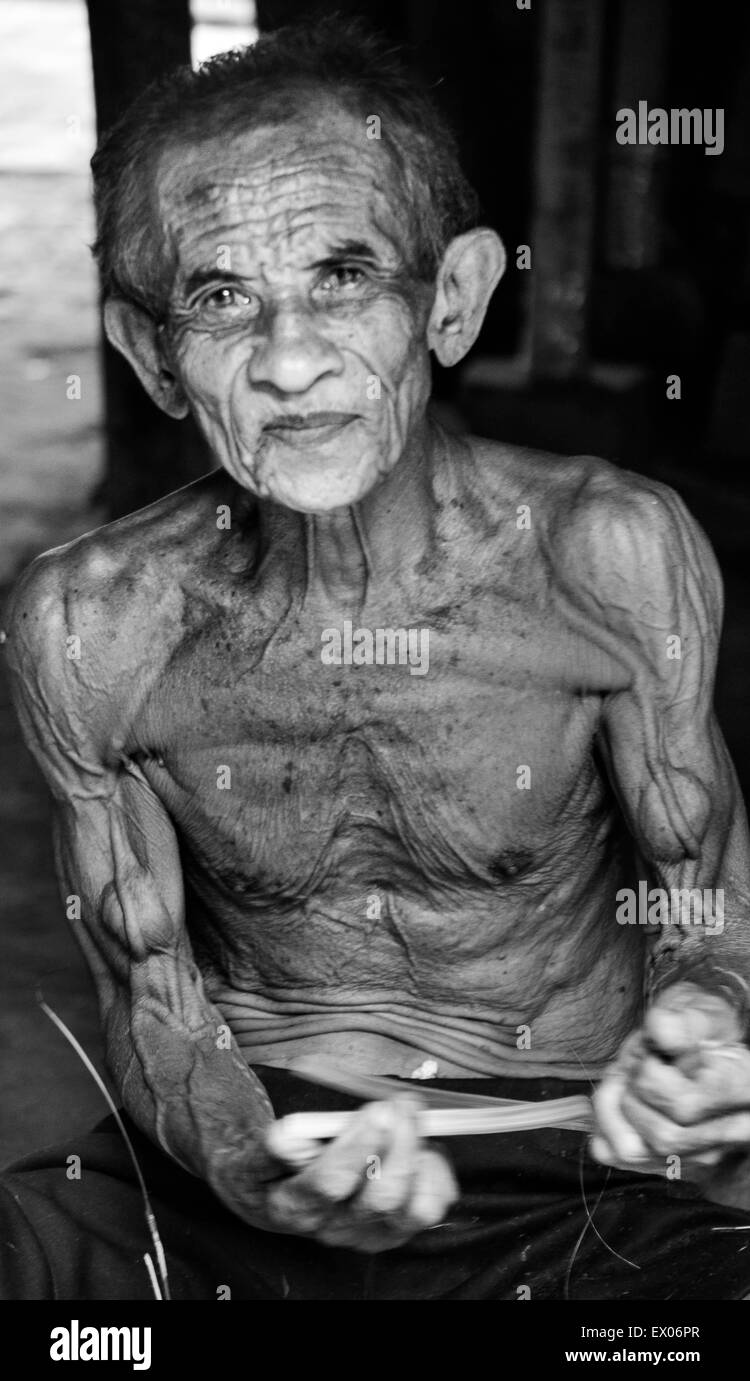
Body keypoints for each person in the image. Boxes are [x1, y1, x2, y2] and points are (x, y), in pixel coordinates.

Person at [3, 18, 750, 1300]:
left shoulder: (611, 556)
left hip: (572, 1162)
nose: (290, 363)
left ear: (450, 300)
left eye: (345, 278)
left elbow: (700, 896)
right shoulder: (93, 623)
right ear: (150, 358)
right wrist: (253, 1161)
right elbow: (151, 997)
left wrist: (708, 1020)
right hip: (242, 1154)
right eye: (221, 297)